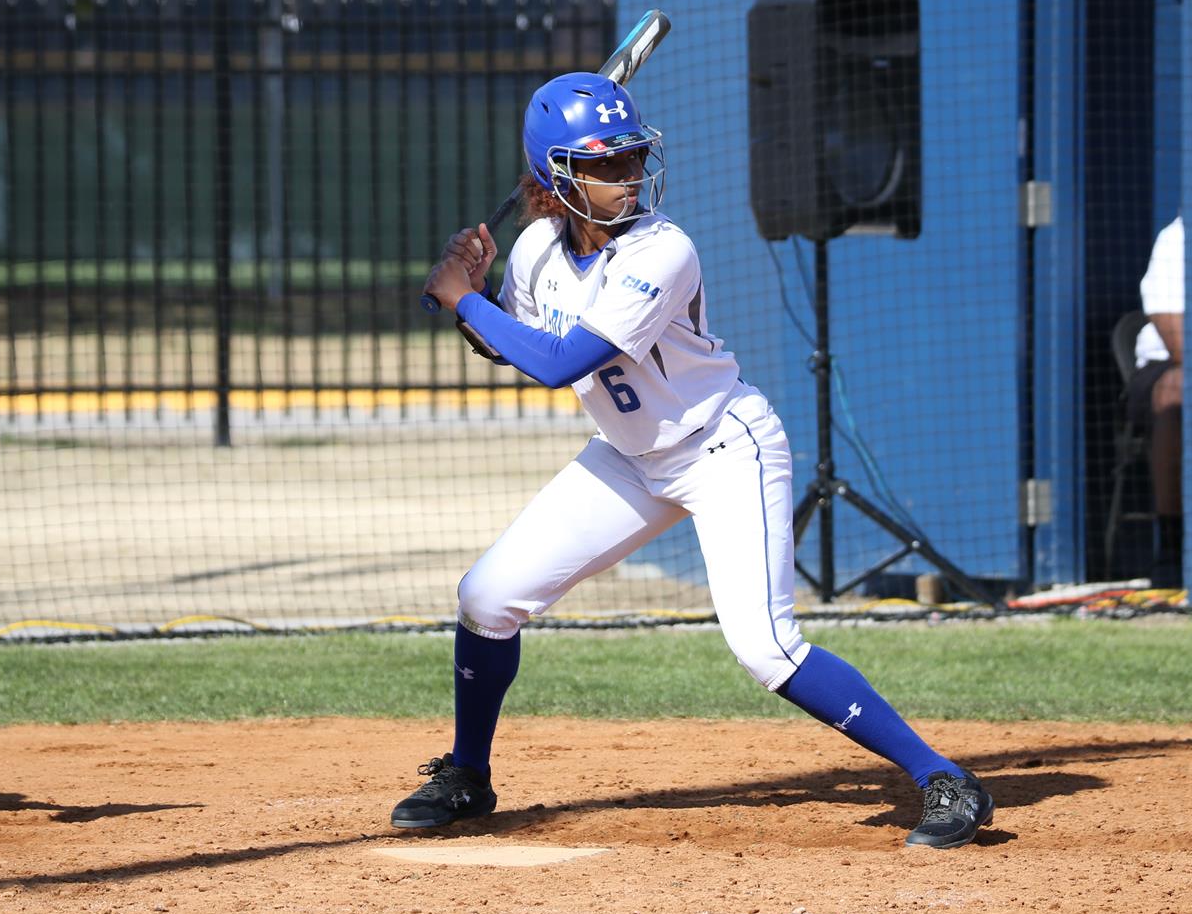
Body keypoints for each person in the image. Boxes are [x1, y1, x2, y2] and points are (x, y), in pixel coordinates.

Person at [396, 72, 995, 849]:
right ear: (555, 178)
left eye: (632, 158)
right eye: (602, 166)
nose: (627, 176)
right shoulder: (537, 249)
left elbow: (563, 363)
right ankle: (468, 777)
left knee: (765, 647)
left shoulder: (664, 248)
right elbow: (514, 346)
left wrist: (459, 299)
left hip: (721, 447)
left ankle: (945, 779)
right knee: (487, 596)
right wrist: (472, 296)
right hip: (627, 458)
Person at [1128, 214, 1184, 589]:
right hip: (1171, 363)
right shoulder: (1179, 236)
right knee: (1179, 389)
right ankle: (1171, 543)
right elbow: (1166, 316)